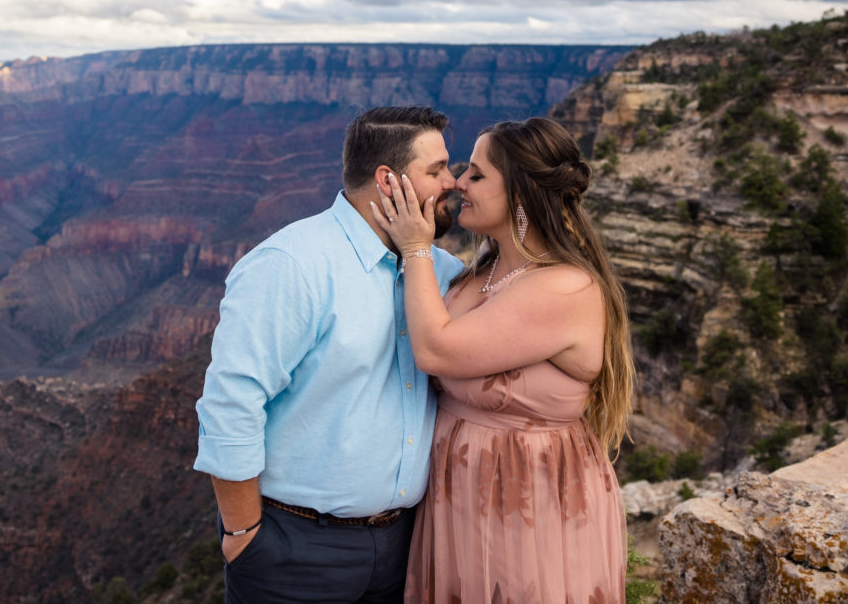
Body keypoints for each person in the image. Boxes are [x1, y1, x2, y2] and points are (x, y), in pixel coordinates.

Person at [193, 105, 464, 604]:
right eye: (437, 170)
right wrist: (243, 536)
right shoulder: (293, 265)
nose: (454, 182)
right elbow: (231, 405)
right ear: (388, 181)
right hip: (293, 551)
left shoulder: (442, 272)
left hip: (408, 545)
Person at [373, 115, 635, 604]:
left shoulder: (564, 286)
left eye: (475, 174)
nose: (457, 183)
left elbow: (435, 350)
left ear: (518, 194)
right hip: (461, 498)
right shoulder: (482, 274)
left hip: (528, 503)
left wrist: (415, 247)